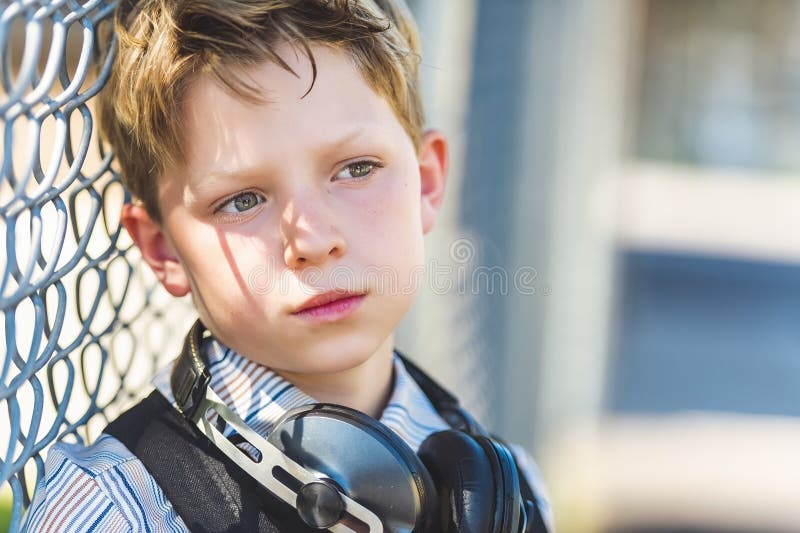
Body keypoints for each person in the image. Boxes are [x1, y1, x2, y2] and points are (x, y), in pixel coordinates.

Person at [24, 0, 553, 531]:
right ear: (162, 249)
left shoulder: (508, 492)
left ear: (428, 183)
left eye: (356, 169)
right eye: (242, 200)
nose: (313, 240)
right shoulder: (117, 510)